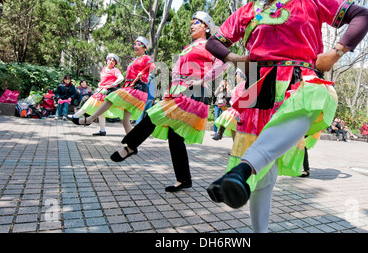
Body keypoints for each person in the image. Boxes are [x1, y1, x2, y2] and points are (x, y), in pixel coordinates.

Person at [204, 0, 368, 233]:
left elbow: (363, 15)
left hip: (298, 81)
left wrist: (336, 52)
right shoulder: (247, 11)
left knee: (315, 97)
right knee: (266, 169)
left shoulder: (309, 1)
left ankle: (240, 171)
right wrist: (235, 59)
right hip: (258, 87)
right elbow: (213, 41)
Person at [110, 11, 227, 192]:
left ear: (205, 25)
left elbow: (224, 63)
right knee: (174, 135)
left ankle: (131, 146)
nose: (191, 25)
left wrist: (203, 80)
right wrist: (170, 89)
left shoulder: (211, 44)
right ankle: (184, 179)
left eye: (196, 22)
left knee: (155, 114)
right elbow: (176, 69)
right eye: (191, 22)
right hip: (179, 90)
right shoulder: (190, 46)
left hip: (194, 92)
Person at [70, 39, 155, 136]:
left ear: (145, 47)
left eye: (139, 44)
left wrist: (142, 73)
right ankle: (132, 146)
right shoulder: (135, 60)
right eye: (134, 44)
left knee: (111, 97)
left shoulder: (145, 57)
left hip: (137, 89)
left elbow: (152, 66)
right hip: (131, 88)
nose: (135, 46)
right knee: (125, 121)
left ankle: (90, 119)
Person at [69, 53, 124, 135]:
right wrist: (99, 84)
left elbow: (121, 78)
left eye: (114, 60)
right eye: (110, 59)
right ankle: (102, 130)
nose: (111, 61)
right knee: (101, 111)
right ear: (106, 60)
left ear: (115, 63)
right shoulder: (104, 69)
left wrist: (112, 84)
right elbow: (102, 80)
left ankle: (75, 116)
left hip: (105, 92)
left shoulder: (115, 70)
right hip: (100, 90)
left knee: (89, 103)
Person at [213, 68, 246, 141]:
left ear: (241, 75)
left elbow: (241, 97)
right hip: (235, 107)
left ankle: (220, 133)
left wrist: (234, 103)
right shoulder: (238, 85)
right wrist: (231, 102)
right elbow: (233, 97)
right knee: (233, 129)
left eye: (236, 75)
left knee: (228, 117)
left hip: (239, 110)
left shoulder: (243, 85)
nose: (235, 77)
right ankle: (234, 150)